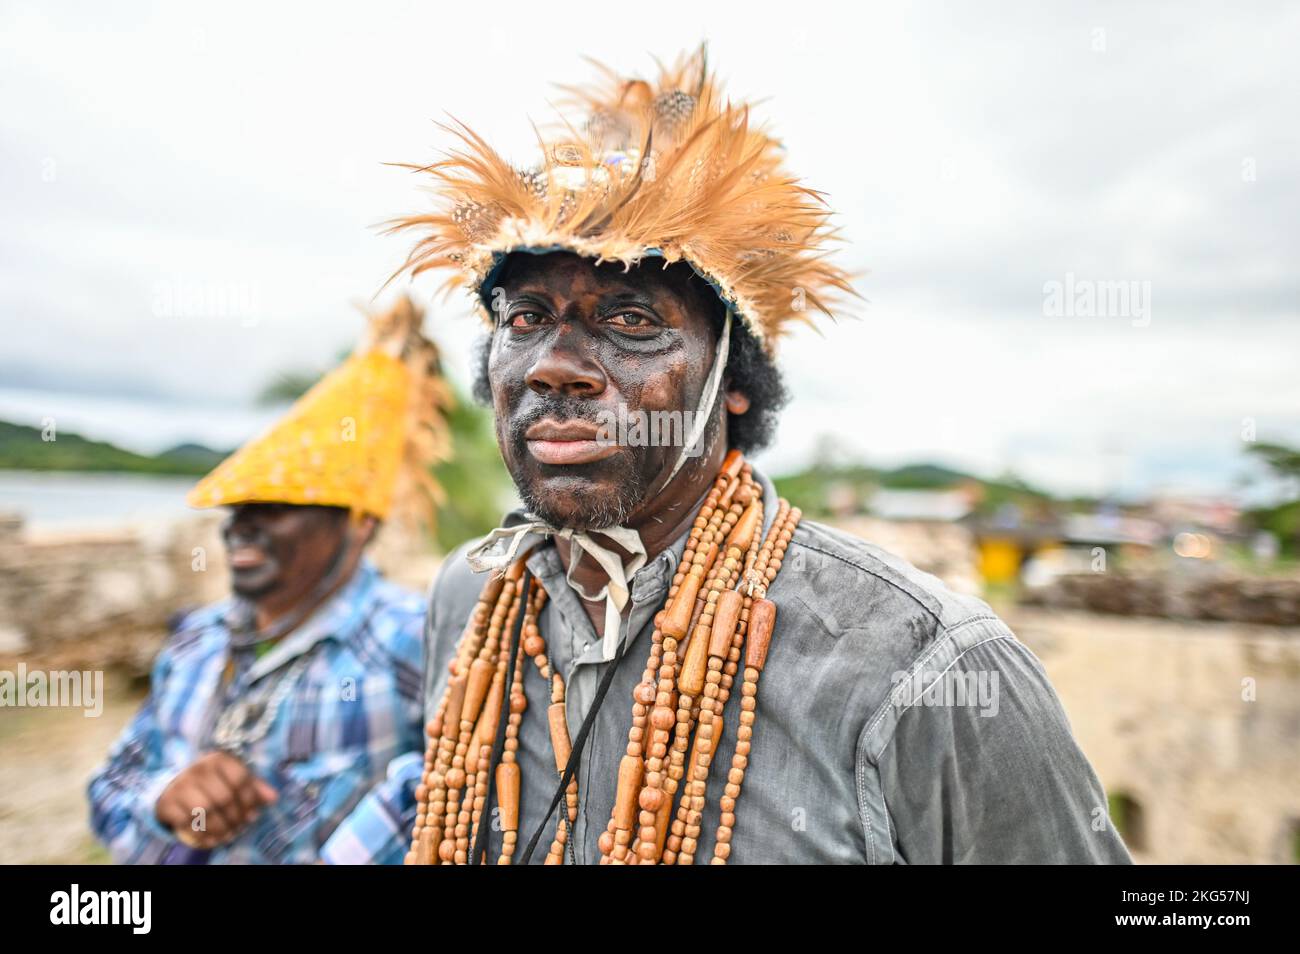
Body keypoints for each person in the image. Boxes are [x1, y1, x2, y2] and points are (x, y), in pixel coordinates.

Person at [324, 46, 1132, 865]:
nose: (551, 364)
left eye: (632, 321)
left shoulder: (926, 668)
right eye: (525, 318)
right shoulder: (469, 601)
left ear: (731, 380)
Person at [88, 297, 449, 863]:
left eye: (274, 505)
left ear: (359, 525)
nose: (239, 526)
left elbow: (460, 804)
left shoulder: (417, 641)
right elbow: (108, 789)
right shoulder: (194, 642)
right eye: (236, 507)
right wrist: (166, 799)